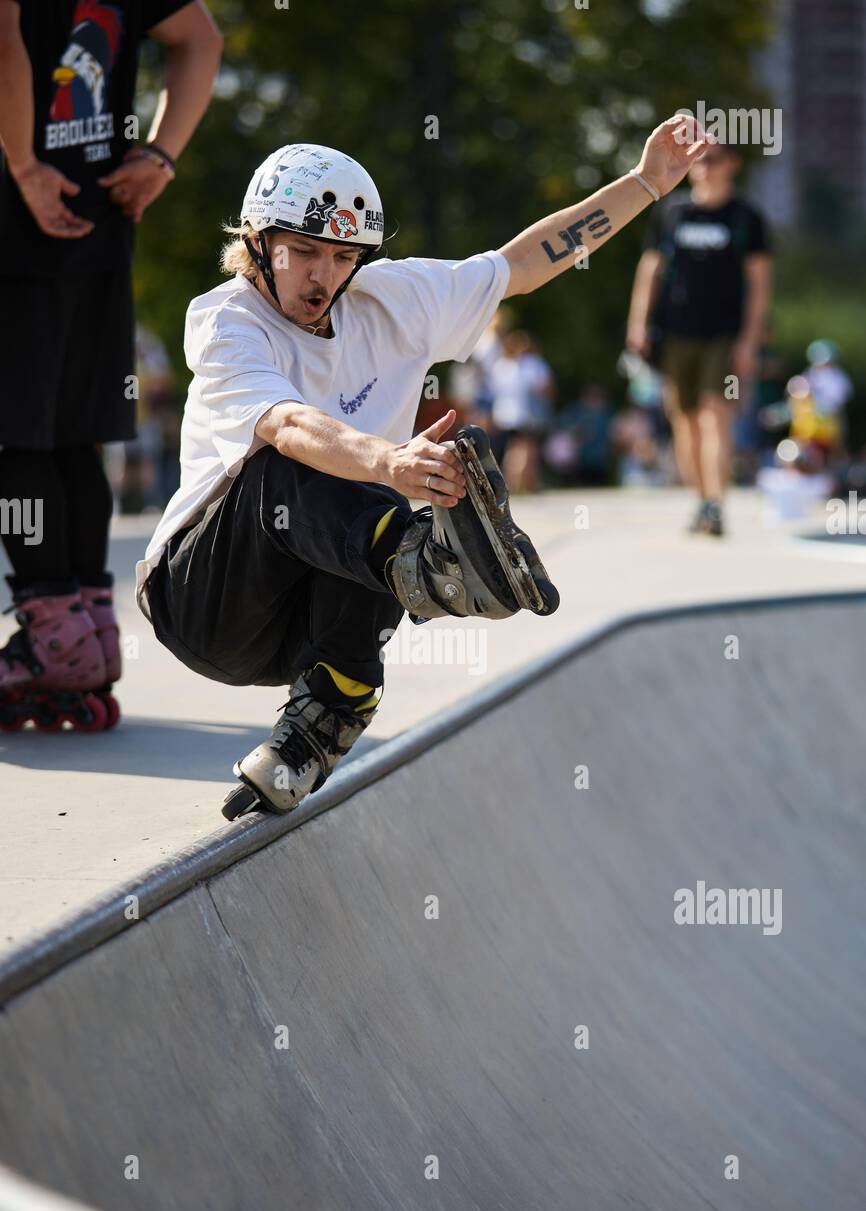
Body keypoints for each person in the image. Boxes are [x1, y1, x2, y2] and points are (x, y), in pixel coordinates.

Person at [135, 118, 710, 820]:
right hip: (203, 600)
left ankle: (325, 715)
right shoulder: (228, 321)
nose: (322, 277)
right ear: (257, 241)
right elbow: (286, 423)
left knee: (388, 496)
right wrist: (388, 457)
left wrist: (645, 183)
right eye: (303, 253)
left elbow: (524, 265)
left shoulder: (394, 299)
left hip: (295, 627)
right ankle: (420, 563)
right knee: (306, 465)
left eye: (342, 257)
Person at [0, 0, 221, 731]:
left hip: (20, 226)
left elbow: (4, 41)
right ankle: (87, 633)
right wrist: (161, 156)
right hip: (101, 228)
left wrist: (24, 163)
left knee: (17, 440)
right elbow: (201, 39)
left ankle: (55, 642)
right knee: (72, 437)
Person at [626, 140, 772, 536]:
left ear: (732, 164)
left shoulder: (746, 217)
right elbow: (650, 268)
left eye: (712, 160)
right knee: (683, 420)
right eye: (697, 160)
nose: (703, 167)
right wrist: (638, 324)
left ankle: (716, 505)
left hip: (724, 334)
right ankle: (701, 500)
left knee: (714, 415)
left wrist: (749, 341)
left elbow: (759, 284)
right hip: (674, 333)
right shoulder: (672, 211)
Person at [489, 330, 555, 493]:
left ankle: (521, 482)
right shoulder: (531, 365)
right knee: (526, 449)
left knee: (513, 449)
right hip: (525, 415)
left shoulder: (499, 366)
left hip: (503, 415)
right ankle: (518, 482)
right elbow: (545, 388)